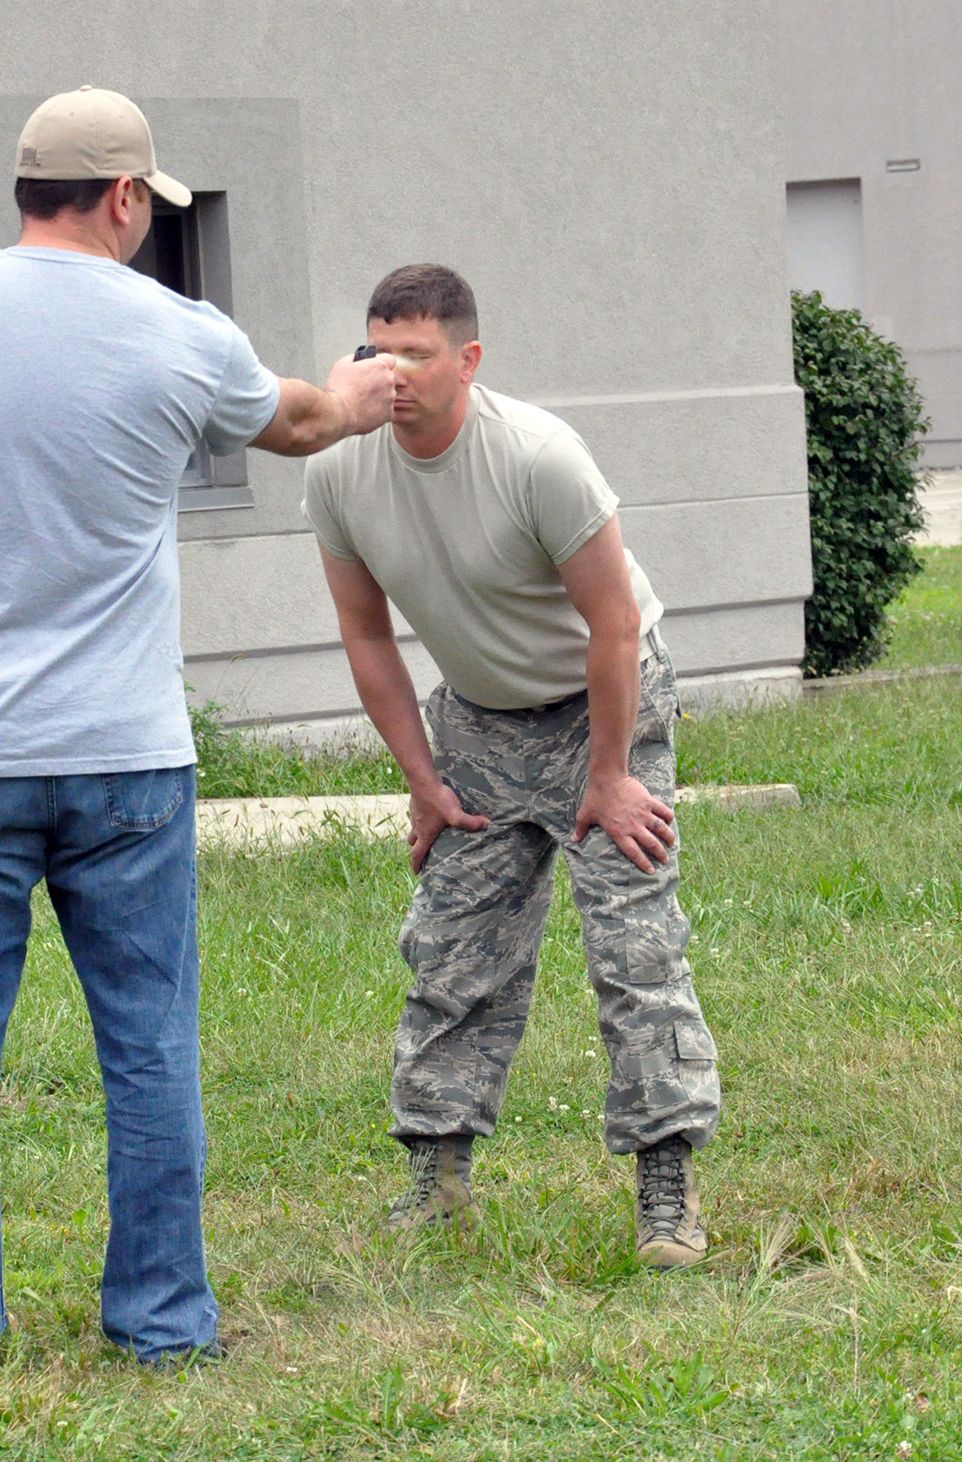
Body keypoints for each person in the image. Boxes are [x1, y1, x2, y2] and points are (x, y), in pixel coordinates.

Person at [0, 86, 397, 1367]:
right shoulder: (182, 331)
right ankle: (164, 1321)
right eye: (147, 204)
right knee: (148, 1044)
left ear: (28, 189)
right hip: (128, 759)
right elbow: (301, 422)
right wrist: (355, 392)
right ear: (123, 196)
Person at [302, 264, 721, 1266]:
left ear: (469, 360)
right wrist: (423, 779)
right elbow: (367, 636)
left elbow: (615, 623)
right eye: (376, 352)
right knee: (453, 945)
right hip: (480, 721)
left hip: (601, 705)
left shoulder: (538, 456)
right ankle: (436, 1180)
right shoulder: (339, 471)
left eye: (416, 354)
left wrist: (610, 774)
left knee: (632, 945)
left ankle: (666, 1186)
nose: (392, 374)